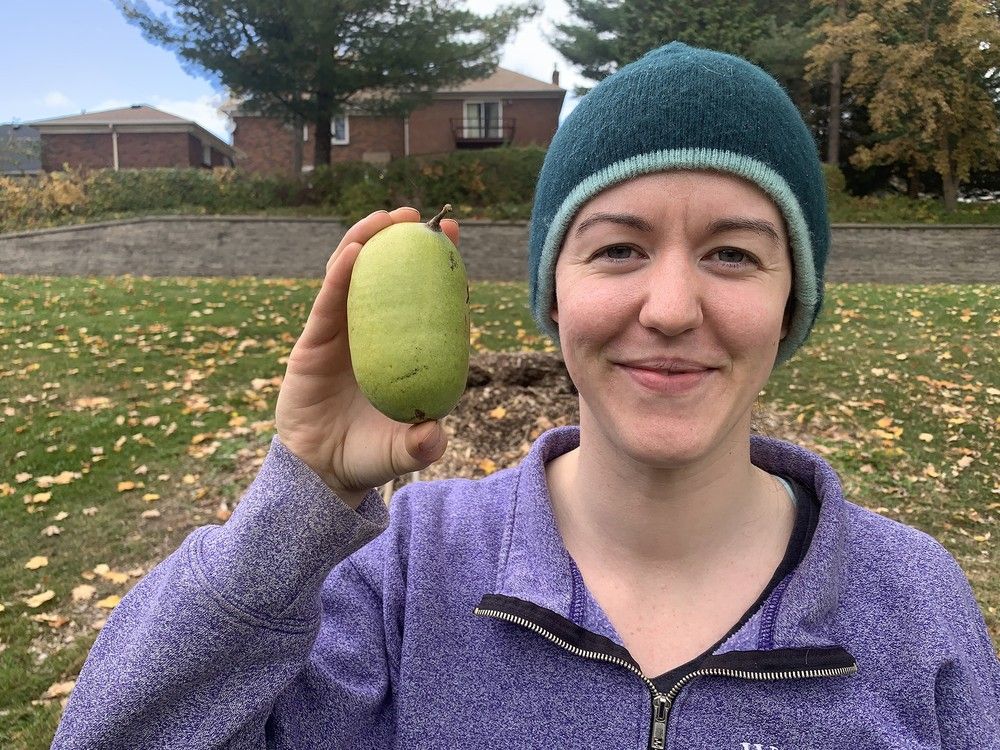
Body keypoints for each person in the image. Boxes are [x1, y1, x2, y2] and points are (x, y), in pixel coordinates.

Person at [54, 42, 998, 749]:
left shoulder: (915, 607)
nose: (670, 308)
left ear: (793, 299)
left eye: (733, 254)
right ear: (552, 293)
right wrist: (299, 497)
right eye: (619, 248)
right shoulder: (406, 575)